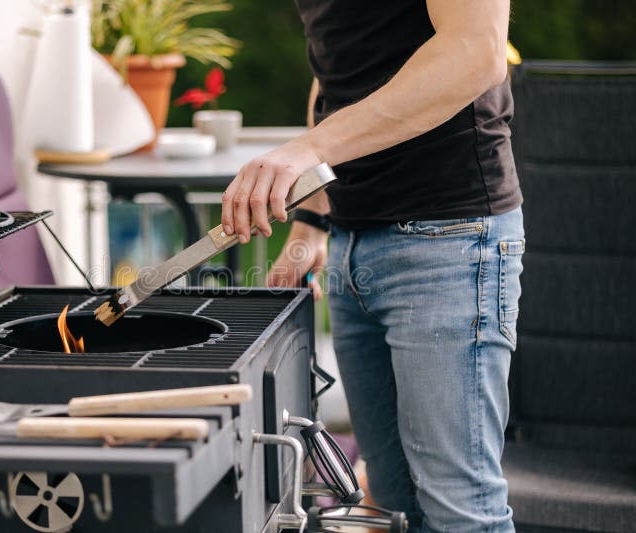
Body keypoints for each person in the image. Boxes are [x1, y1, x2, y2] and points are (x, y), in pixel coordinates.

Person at [220, 1, 524, 531]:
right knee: (390, 503)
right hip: (351, 236)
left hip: (447, 239)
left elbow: (476, 52)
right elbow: (339, 69)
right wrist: (313, 218)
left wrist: (305, 150)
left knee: (461, 512)